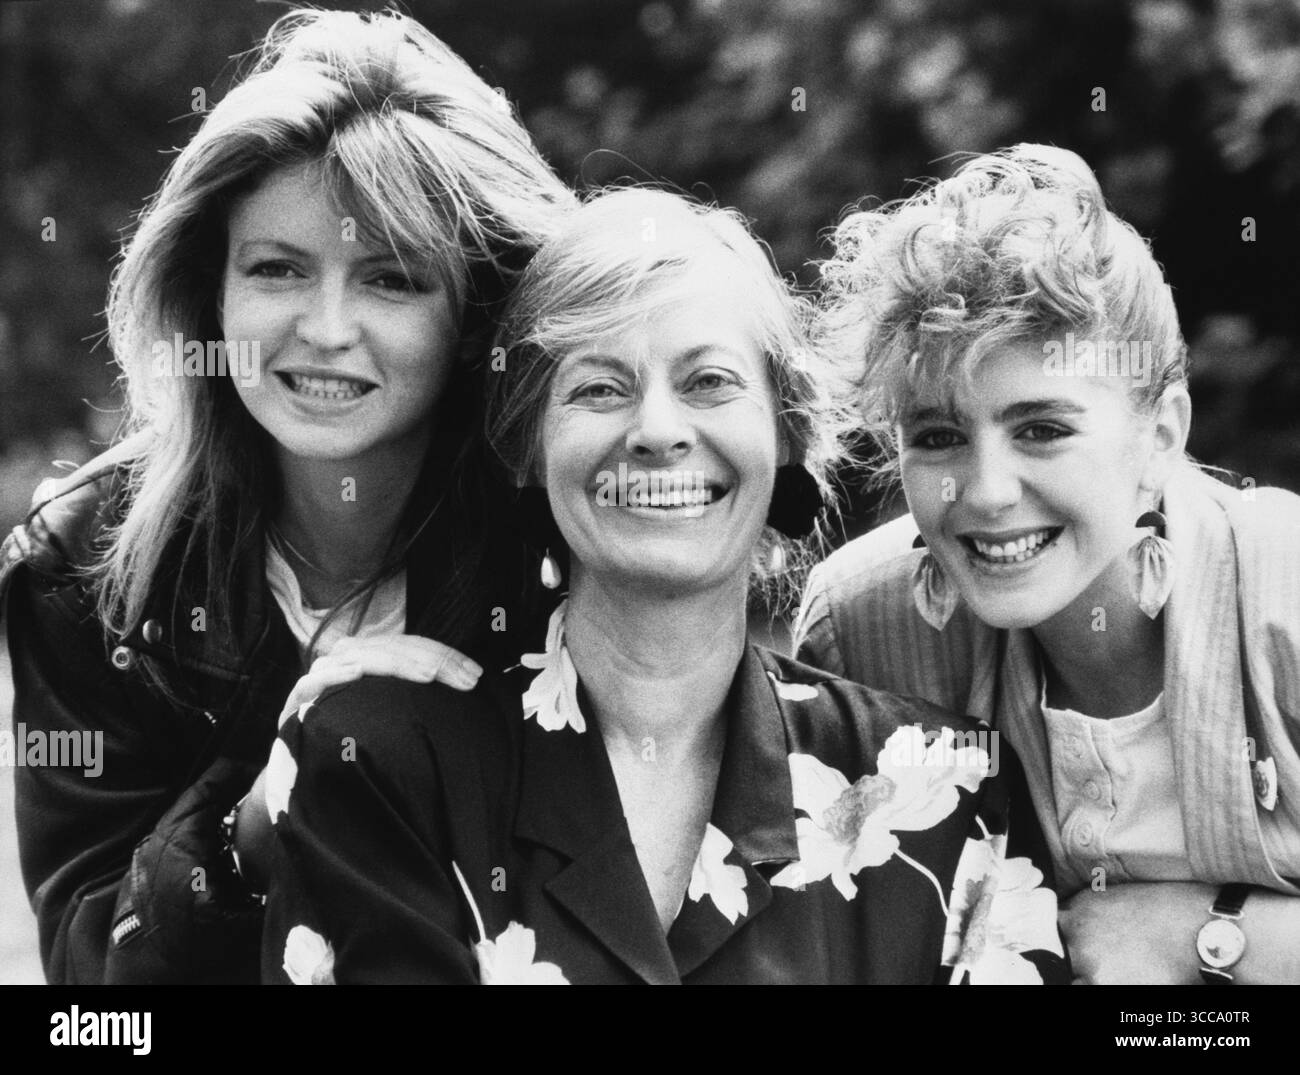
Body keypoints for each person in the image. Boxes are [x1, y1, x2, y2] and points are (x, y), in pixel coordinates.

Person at [259, 188, 1068, 985]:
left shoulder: (943, 787)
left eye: (709, 381)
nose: (656, 430)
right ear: (529, 451)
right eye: (599, 388)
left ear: (785, 434)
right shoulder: (379, 764)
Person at [0, 8, 574, 984]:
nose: (327, 326)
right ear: (207, 292)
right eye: (278, 269)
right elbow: (93, 1002)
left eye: (392, 279)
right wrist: (252, 825)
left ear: (481, 310)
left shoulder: (563, 532)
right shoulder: (80, 568)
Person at [795, 144, 1300, 984]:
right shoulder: (859, 630)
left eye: (1041, 429)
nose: (988, 493)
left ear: (1161, 435)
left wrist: (1208, 938)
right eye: (939, 437)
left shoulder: (1288, 594)